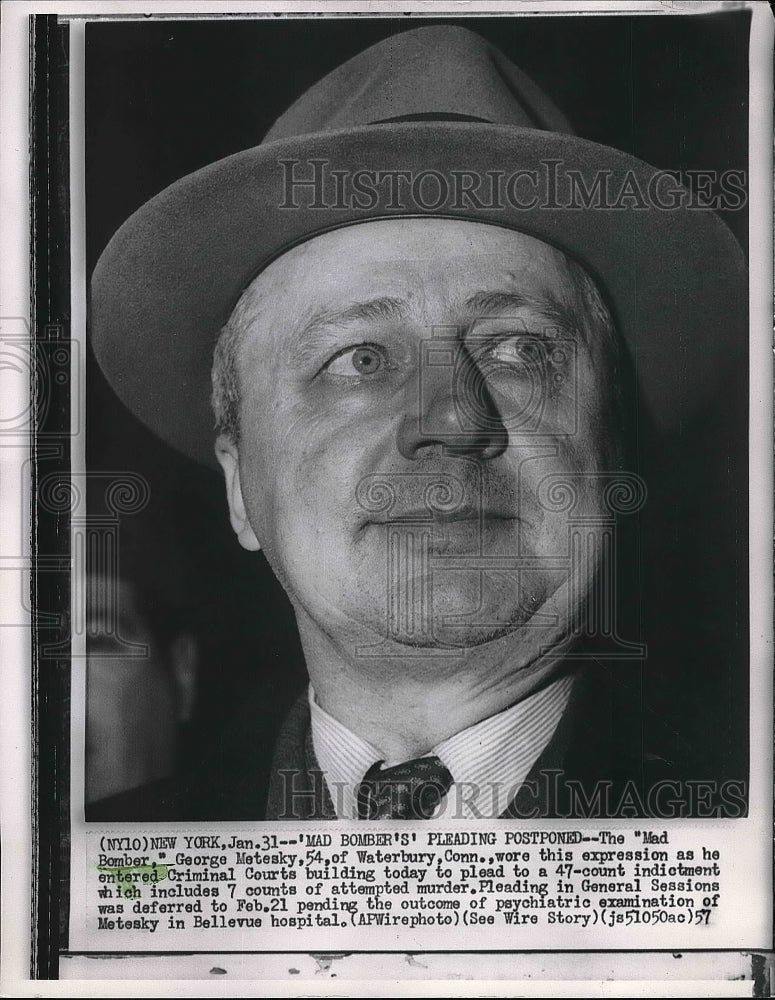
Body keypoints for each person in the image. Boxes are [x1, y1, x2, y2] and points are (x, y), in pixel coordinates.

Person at [88, 25, 747, 820]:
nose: (452, 419)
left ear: (611, 446)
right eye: (362, 359)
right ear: (238, 488)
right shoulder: (101, 864)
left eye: (519, 349)